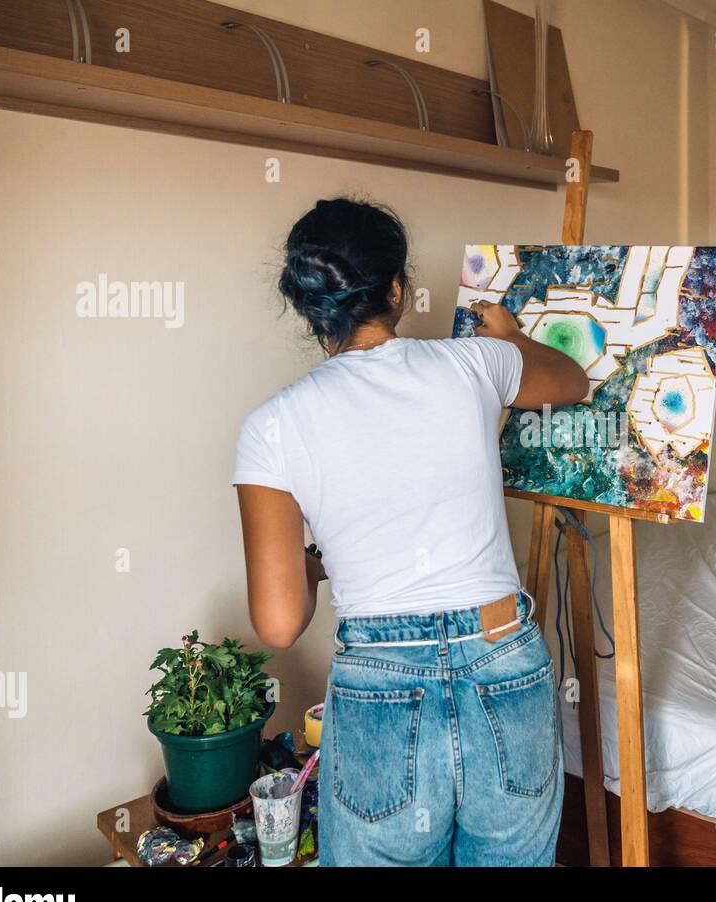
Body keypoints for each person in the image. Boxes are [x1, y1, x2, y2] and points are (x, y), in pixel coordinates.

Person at [232, 197, 588, 866]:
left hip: (380, 685)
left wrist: (313, 563)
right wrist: (509, 339)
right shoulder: (474, 364)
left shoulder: (272, 427)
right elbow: (573, 378)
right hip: (503, 659)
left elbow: (279, 624)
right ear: (397, 289)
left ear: (310, 306)